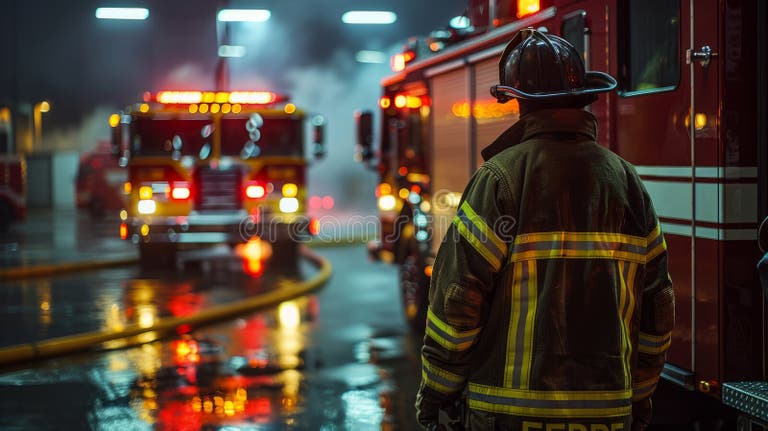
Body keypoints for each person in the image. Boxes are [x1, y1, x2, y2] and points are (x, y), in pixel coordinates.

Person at [415, 28, 674, 431]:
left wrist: (436, 391)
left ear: (516, 101)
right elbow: (658, 306)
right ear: (582, 98)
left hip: (508, 416)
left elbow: (457, 300)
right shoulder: (626, 182)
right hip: (607, 416)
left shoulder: (500, 180)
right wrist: (638, 395)